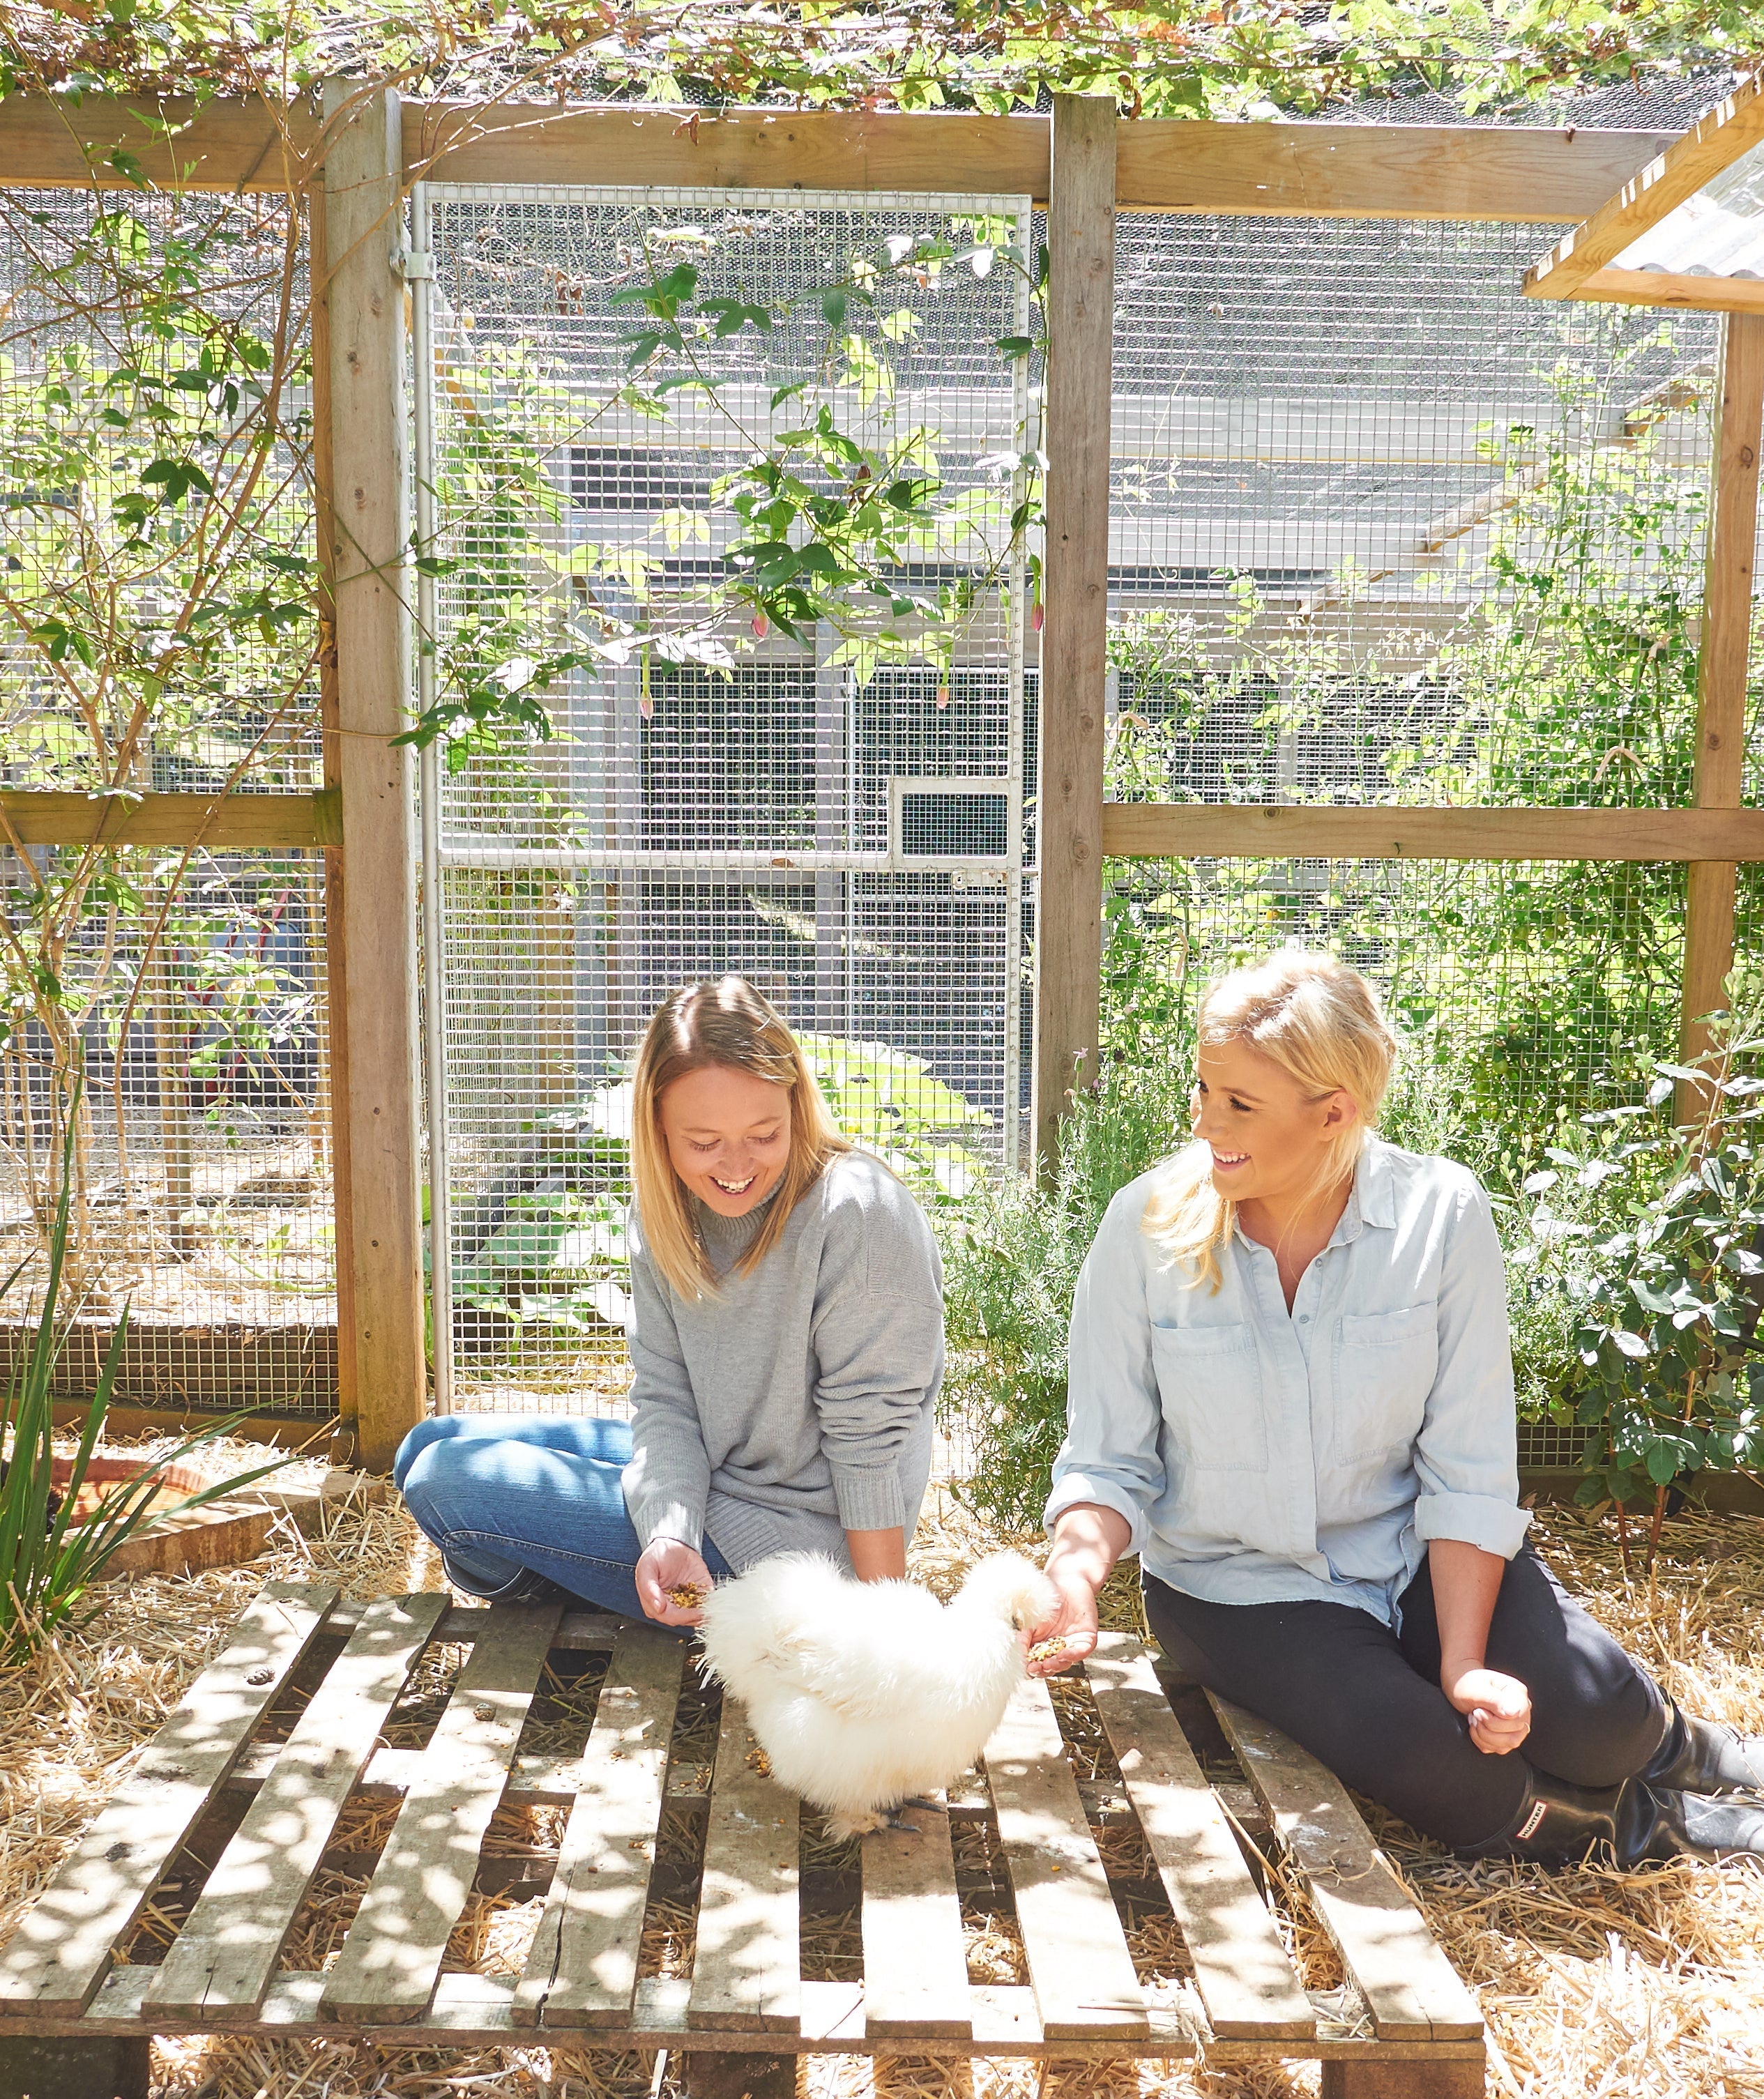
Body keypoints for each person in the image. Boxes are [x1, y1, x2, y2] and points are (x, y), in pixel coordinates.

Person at [1029, 948, 1764, 1866]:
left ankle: (1676, 1750)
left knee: (1591, 1715)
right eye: (1203, 1086)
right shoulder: (1140, 1229)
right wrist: (1075, 1575)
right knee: (1437, 1757)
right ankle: (1637, 1825)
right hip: (1239, 1586)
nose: (1202, 1118)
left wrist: (1463, 1660)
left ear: (1332, 1110)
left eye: (1238, 1102)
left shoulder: (1440, 1216)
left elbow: (1465, 1467)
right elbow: (1108, 1460)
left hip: (1412, 1549)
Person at [397, 975, 945, 1627]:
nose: (737, 1164)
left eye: (765, 1133)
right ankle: (628, 1582)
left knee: (446, 1482)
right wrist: (669, 1530)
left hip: (796, 1550)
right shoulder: (664, 1212)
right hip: (715, 1485)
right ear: (657, 1126)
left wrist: (881, 1628)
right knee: (426, 1442)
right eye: (704, 1142)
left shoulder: (858, 1210)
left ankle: (582, 1590)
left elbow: (870, 1438)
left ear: (797, 1107)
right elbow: (666, 1396)